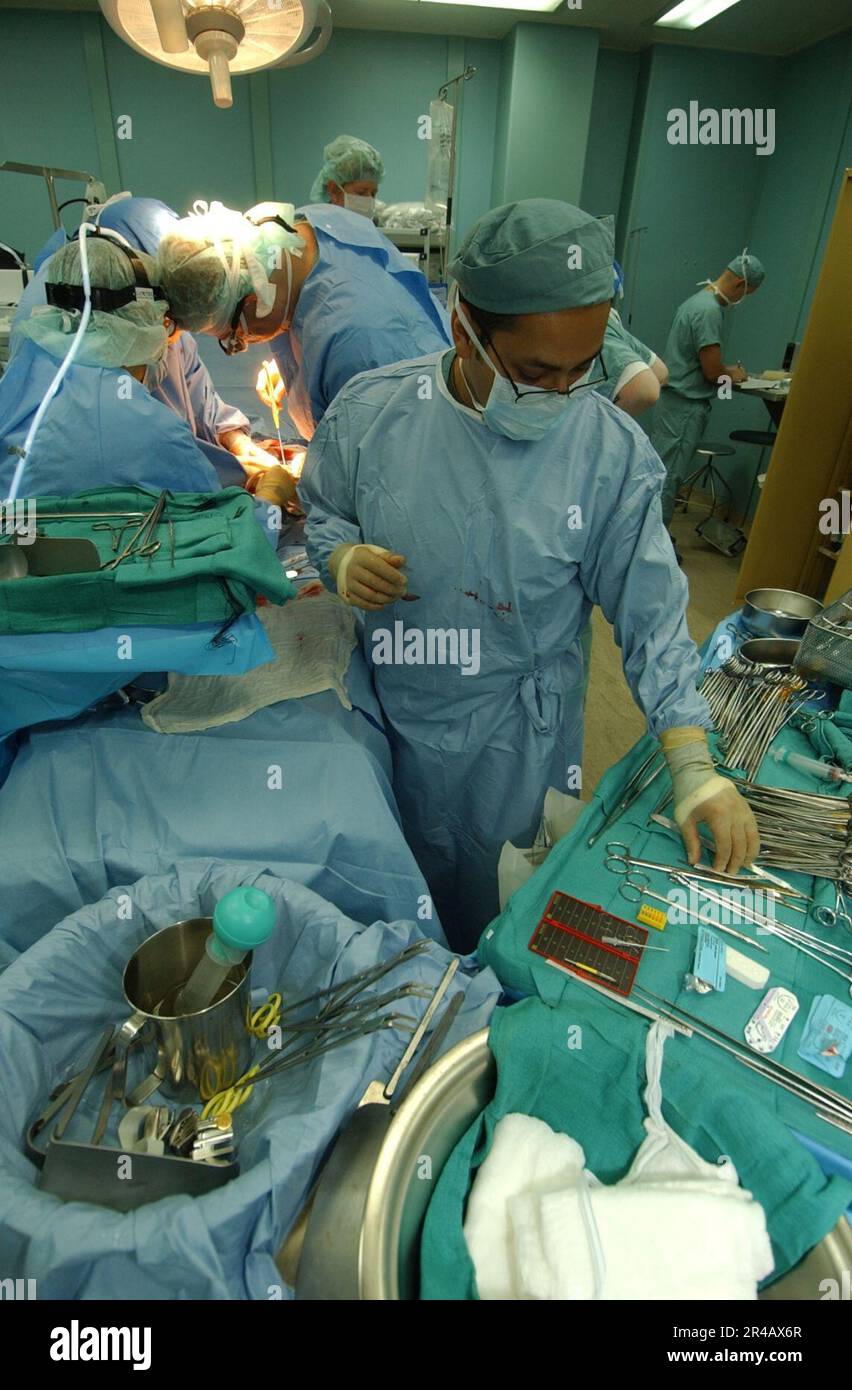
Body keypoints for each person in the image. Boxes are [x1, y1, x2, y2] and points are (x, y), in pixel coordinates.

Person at [300, 199, 759, 950]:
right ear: (464, 330)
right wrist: (340, 556)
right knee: (401, 891)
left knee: (500, 900)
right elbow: (325, 509)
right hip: (399, 712)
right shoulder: (373, 415)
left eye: (584, 370)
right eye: (536, 372)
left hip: (521, 737)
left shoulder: (605, 454)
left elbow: (651, 614)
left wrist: (692, 762)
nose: (561, 395)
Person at [13, 194, 295, 509]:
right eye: (167, 326)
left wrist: (235, 439)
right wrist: (269, 498)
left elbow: (194, 389)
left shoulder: (41, 360)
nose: (170, 339)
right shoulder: (143, 428)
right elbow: (221, 531)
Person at [157, 199, 450, 441]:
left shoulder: (355, 348)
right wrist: (300, 363)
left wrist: (310, 483)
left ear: (254, 302)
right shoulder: (306, 229)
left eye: (236, 338)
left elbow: (377, 480)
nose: (243, 343)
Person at [0, 236, 222, 498]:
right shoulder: (153, 431)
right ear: (138, 323)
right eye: (165, 326)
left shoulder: (21, 377)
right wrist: (270, 495)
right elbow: (221, 524)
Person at [651, 250, 765, 534]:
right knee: (670, 479)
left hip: (671, 402)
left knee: (660, 472)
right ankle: (656, 546)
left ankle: (649, 540)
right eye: (746, 293)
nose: (742, 299)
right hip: (686, 408)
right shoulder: (710, 311)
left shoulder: (694, 302)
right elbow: (712, 372)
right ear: (739, 284)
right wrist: (734, 375)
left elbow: (695, 360)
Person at [309, 135, 384, 218]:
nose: (369, 201)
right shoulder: (310, 228)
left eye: (373, 194)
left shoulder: (367, 228)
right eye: (361, 192)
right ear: (334, 190)